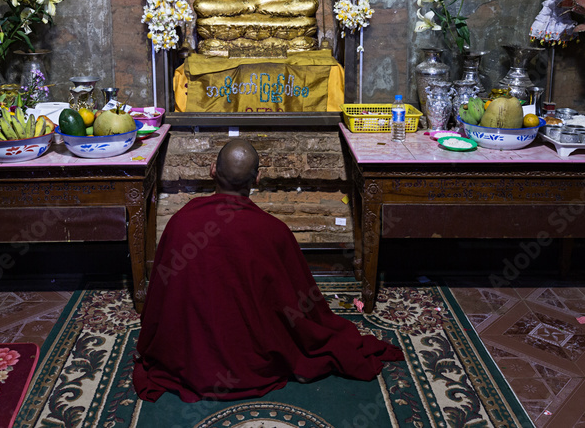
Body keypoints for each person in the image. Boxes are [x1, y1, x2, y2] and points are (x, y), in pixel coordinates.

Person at [133, 139, 403, 402]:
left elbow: (160, 297)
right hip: (253, 363)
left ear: (213, 170)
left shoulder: (180, 223)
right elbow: (300, 305)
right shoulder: (274, 232)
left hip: (189, 363)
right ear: (258, 179)